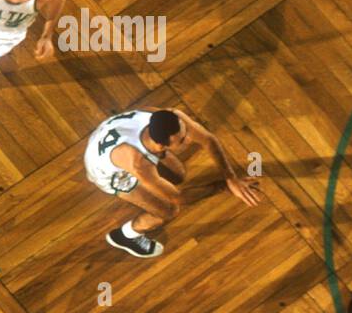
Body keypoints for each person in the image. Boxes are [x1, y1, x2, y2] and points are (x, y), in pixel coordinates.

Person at [83, 108, 262, 258]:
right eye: (183, 140)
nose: (189, 139)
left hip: (109, 135)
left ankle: (157, 183)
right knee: (168, 210)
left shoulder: (166, 116)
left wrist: (231, 178)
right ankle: (126, 235)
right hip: (107, 173)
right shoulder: (139, 163)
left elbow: (208, 139)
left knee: (178, 174)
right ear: (161, 145)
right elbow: (179, 198)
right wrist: (223, 186)